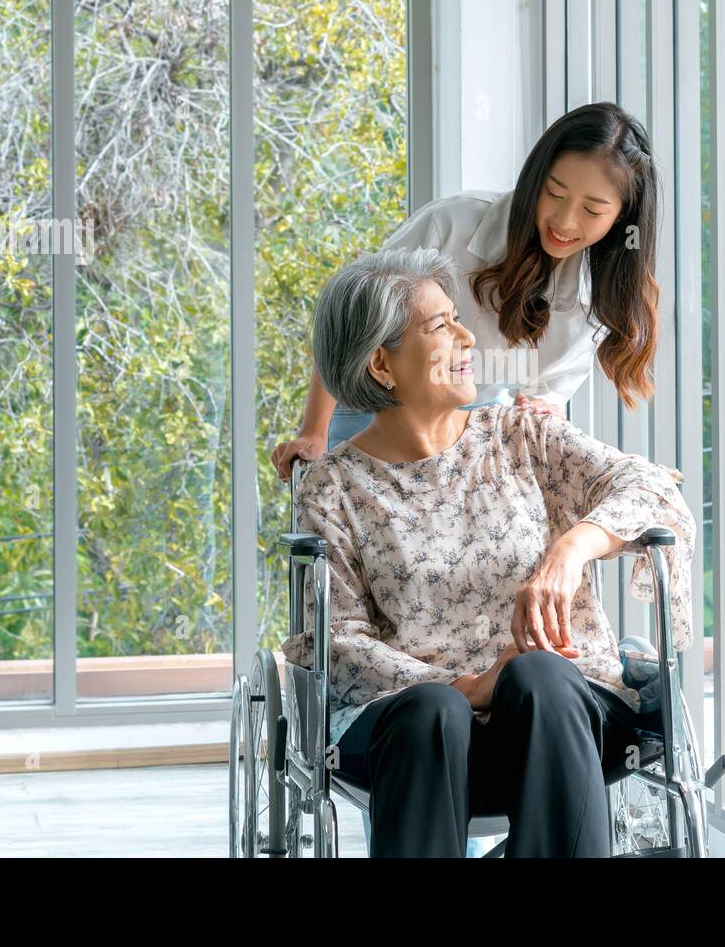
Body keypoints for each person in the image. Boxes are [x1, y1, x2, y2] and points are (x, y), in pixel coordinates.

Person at [279, 247, 696, 858]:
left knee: (540, 674)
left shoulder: (522, 436)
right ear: (381, 364)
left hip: (562, 718)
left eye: (457, 317)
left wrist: (570, 551)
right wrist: (470, 686)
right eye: (439, 325)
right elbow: (333, 644)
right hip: (415, 735)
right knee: (430, 711)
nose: (466, 336)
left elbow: (653, 488)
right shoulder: (334, 487)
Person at [270, 100, 663, 473]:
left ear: (623, 215)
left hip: (475, 432)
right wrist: (313, 431)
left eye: (592, 210)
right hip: (380, 411)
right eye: (553, 192)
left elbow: (546, 392)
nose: (564, 221)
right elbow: (353, 319)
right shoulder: (453, 223)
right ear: (535, 178)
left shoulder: (601, 294)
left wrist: (545, 407)